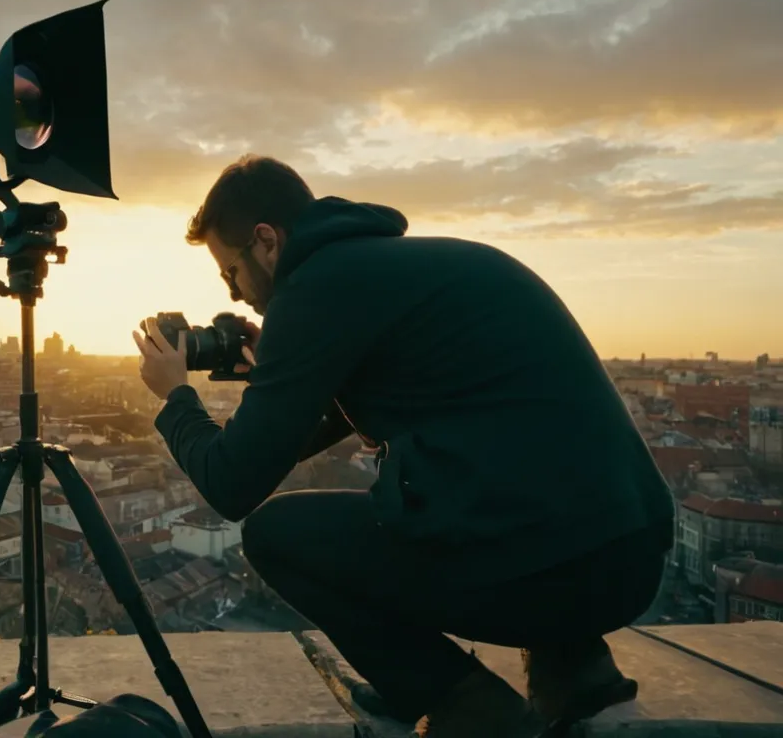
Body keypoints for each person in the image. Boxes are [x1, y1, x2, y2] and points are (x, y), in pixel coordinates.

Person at [132, 155, 675, 738]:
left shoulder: (316, 288)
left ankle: (468, 707)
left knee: (277, 536)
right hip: (626, 555)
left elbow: (232, 484)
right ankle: (576, 673)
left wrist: (176, 398)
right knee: (495, 478)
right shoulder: (389, 266)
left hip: (558, 570)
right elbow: (305, 434)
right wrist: (290, 379)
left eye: (229, 271)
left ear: (266, 241)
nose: (234, 294)